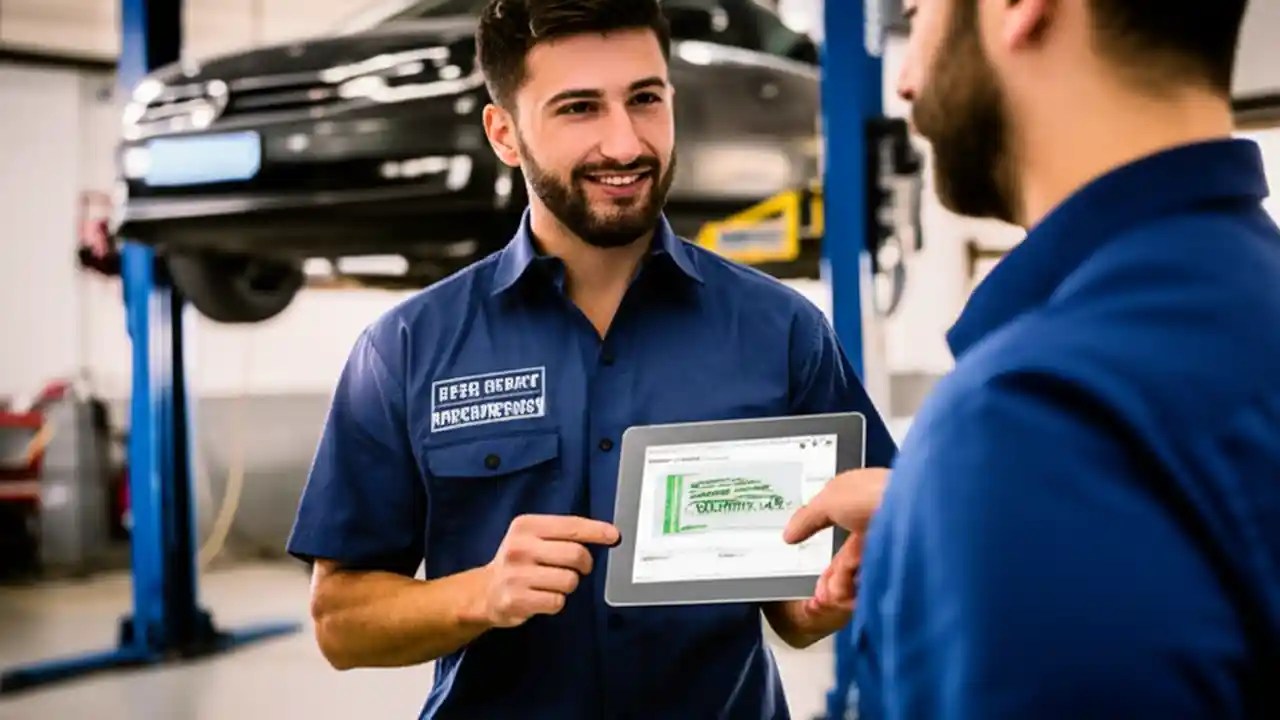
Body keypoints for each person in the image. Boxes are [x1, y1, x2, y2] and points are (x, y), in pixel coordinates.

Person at [285, 0, 897, 717]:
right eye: (579, 108)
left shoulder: (782, 331)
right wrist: (479, 594)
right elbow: (340, 622)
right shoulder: (406, 349)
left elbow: (796, 613)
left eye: (645, 100)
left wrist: (834, 592)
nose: (624, 143)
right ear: (505, 133)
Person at [785, 0, 1280, 717]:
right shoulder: (1246, 307)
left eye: (917, 10)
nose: (906, 80)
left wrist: (977, 491)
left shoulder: (1031, 419)